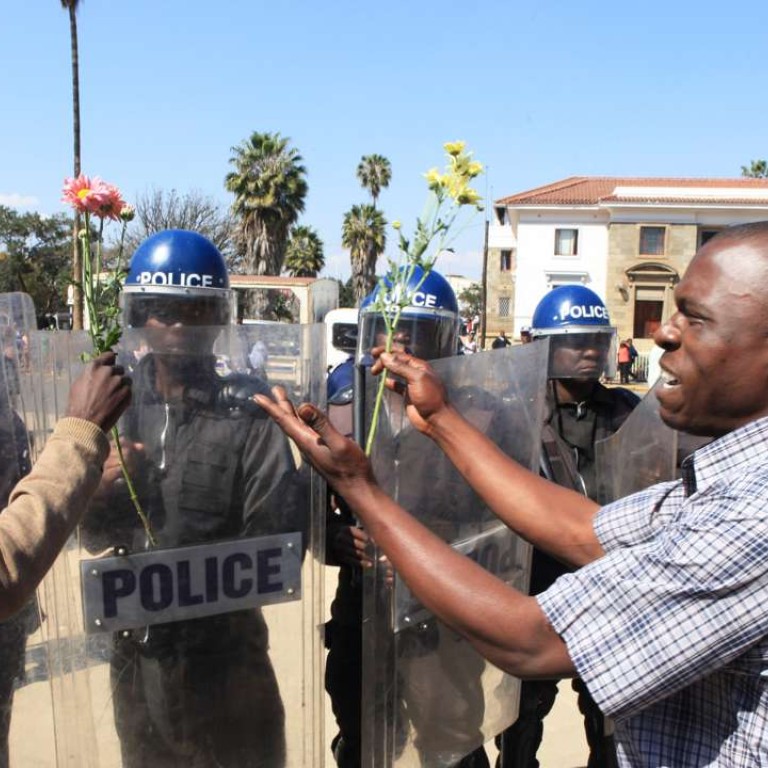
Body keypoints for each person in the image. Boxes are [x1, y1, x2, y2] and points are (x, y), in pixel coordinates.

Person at [256, 221, 768, 766]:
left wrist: (361, 489)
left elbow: (531, 640)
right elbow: (583, 530)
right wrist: (442, 421)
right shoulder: (727, 484)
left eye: (696, 317)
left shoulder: (753, 515)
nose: (664, 333)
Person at [84, 230, 304, 767]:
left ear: (217, 318)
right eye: (161, 309)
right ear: (140, 314)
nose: (178, 324)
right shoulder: (113, 410)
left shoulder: (250, 414)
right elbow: (90, 540)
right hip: (139, 659)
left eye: (196, 310)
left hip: (228, 661)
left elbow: (277, 554)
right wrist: (98, 487)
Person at [325, 266, 491, 768]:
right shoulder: (342, 412)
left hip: (441, 617)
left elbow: (498, 524)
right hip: (361, 606)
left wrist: (440, 548)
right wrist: (336, 539)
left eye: (417, 335)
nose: (400, 347)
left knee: (451, 739)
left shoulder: (480, 417)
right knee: (362, 735)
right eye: (390, 333)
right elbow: (304, 513)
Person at [495, 286, 638, 768]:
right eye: (577, 341)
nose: (591, 352)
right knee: (519, 722)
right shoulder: (515, 415)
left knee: (611, 722)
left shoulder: (627, 410)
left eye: (597, 340)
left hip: (610, 591)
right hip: (538, 592)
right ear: (548, 346)